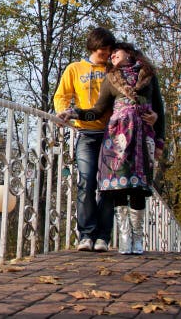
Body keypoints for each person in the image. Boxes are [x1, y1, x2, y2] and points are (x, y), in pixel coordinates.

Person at [63, 42, 165, 254]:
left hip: (143, 138)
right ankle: (125, 238)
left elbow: (159, 110)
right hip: (117, 140)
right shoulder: (111, 79)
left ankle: (138, 238)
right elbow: (98, 110)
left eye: (116, 52)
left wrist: (160, 142)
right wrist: (74, 113)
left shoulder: (149, 76)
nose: (112, 56)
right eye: (111, 55)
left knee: (138, 188)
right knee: (118, 186)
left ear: (129, 52)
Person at [53, 27, 117, 252]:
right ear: (93, 47)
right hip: (87, 133)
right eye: (102, 49)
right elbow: (62, 95)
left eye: (109, 50)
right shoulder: (75, 68)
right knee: (86, 181)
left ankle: (103, 237)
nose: (106, 53)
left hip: (112, 134)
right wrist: (63, 112)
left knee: (109, 186)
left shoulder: (114, 69)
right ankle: (87, 235)